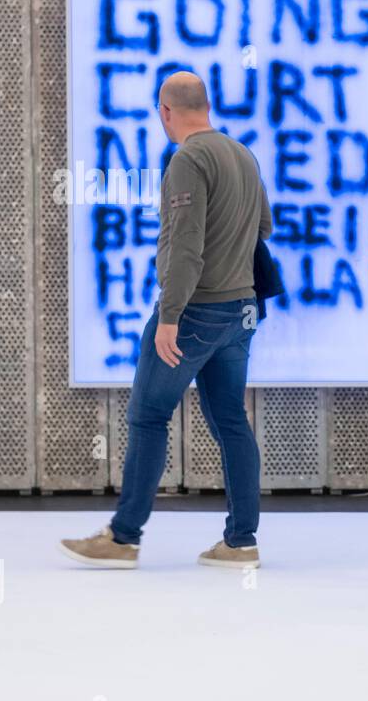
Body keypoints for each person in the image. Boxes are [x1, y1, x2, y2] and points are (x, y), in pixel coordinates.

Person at [60, 72, 272, 570]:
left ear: (166, 111)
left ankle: (123, 538)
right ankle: (241, 543)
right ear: (207, 104)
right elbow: (263, 224)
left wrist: (170, 316)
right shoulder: (243, 155)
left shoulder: (188, 159)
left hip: (196, 313)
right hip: (241, 312)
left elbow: (186, 246)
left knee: (148, 416)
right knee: (232, 423)